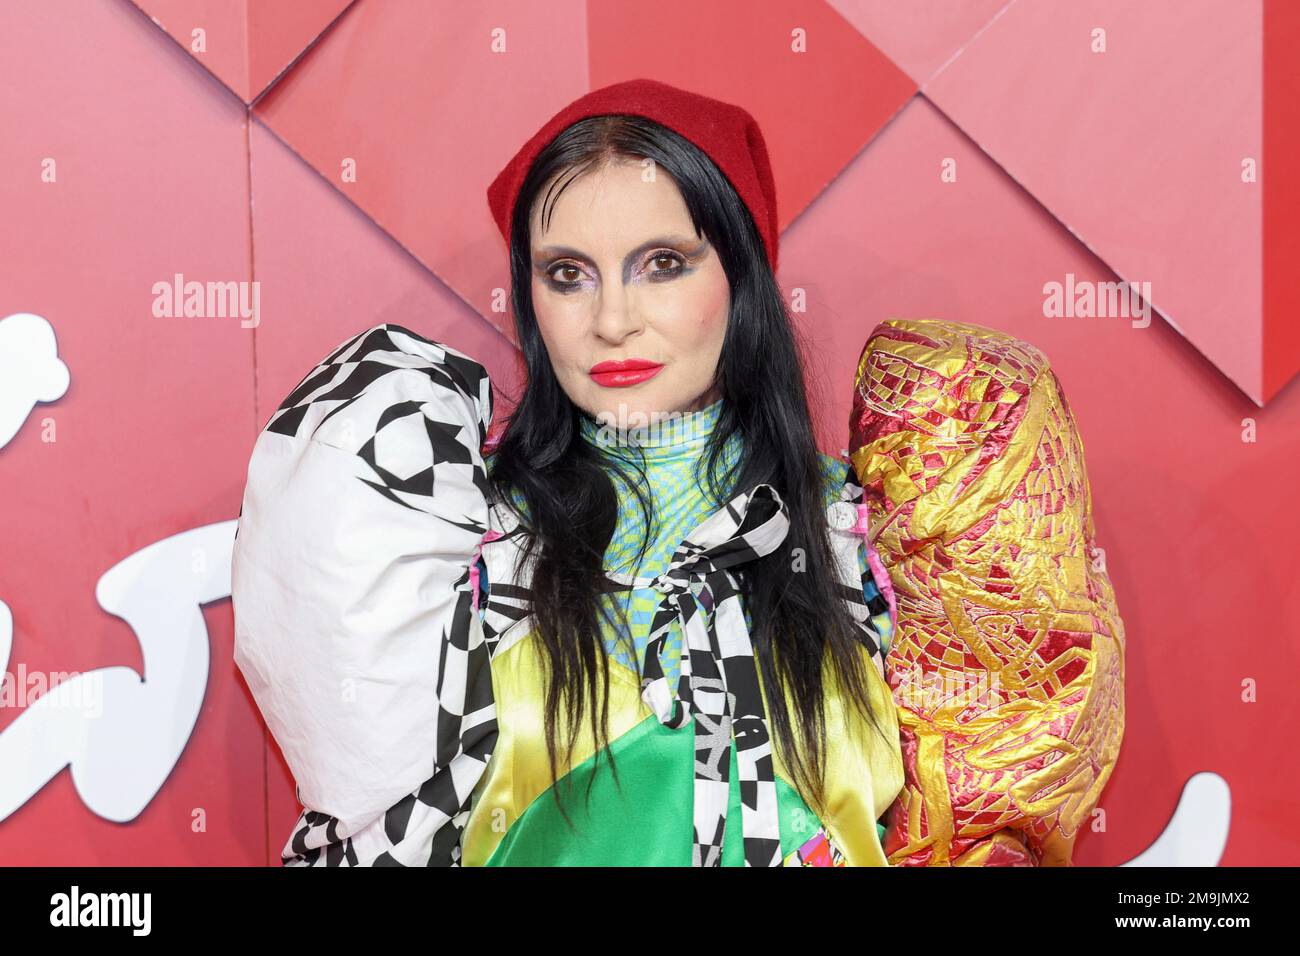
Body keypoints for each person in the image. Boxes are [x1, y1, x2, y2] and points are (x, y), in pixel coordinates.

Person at [231, 77, 905, 867]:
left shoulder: (869, 536)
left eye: (662, 263)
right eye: (567, 275)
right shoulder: (457, 545)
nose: (613, 320)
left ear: (741, 277)